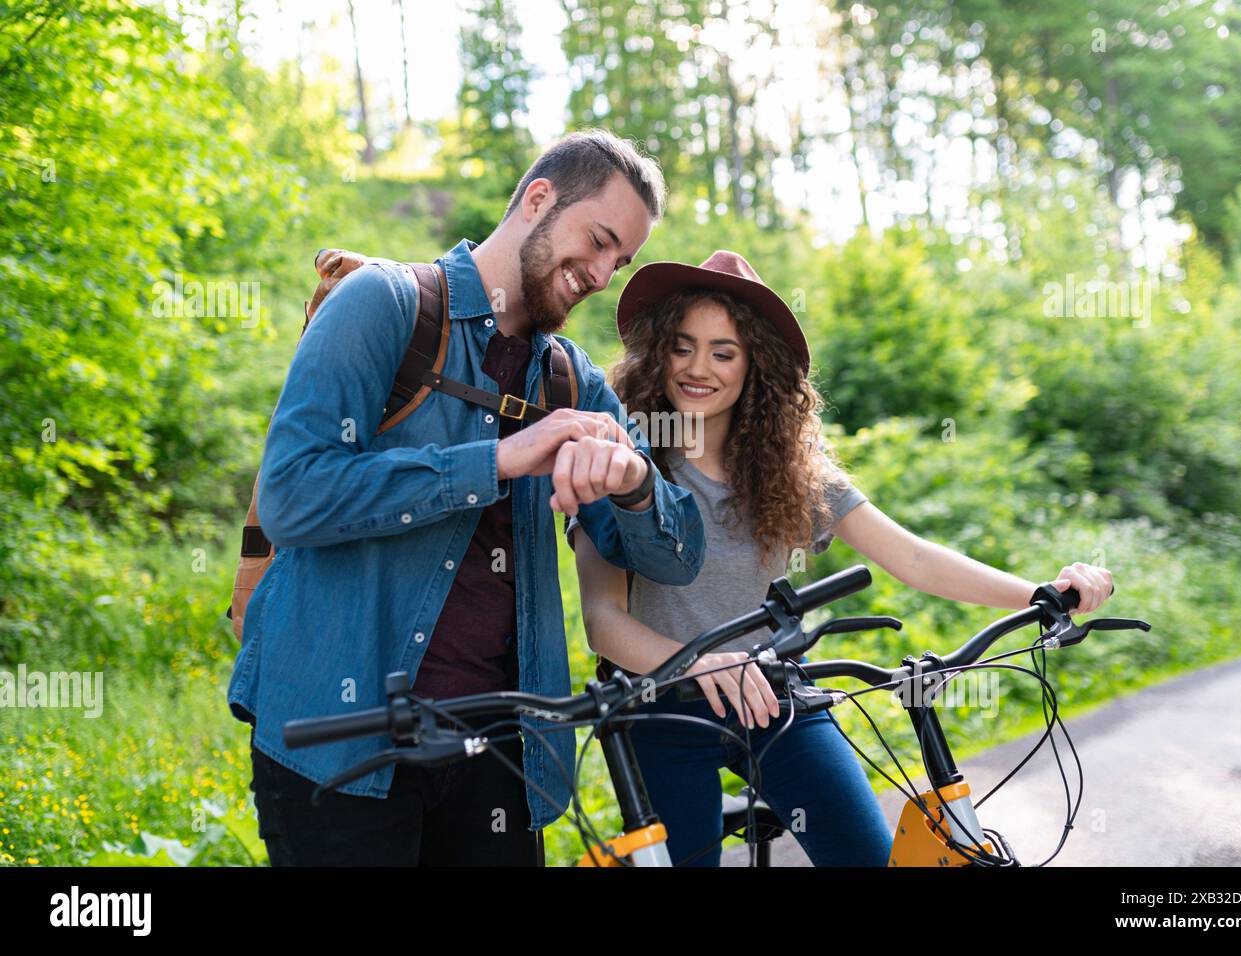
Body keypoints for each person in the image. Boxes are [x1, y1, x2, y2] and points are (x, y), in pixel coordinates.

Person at [227, 131, 706, 866]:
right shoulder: (381, 305)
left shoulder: (571, 380)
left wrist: (637, 486)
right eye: (600, 240)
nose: (605, 274)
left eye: (623, 260)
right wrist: (497, 460)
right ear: (538, 199)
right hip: (339, 744)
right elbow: (294, 495)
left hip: (501, 756)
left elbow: (678, 555)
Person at [569, 249, 1115, 866]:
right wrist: (699, 665)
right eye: (682, 346)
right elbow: (603, 621)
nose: (700, 368)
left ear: (755, 367)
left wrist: (1041, 592)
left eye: (724, 352)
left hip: (774, 698)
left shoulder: (788, 473)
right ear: (657, 353)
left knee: (865, 855)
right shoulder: (620, 463)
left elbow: (913, 557)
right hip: (661, 708)